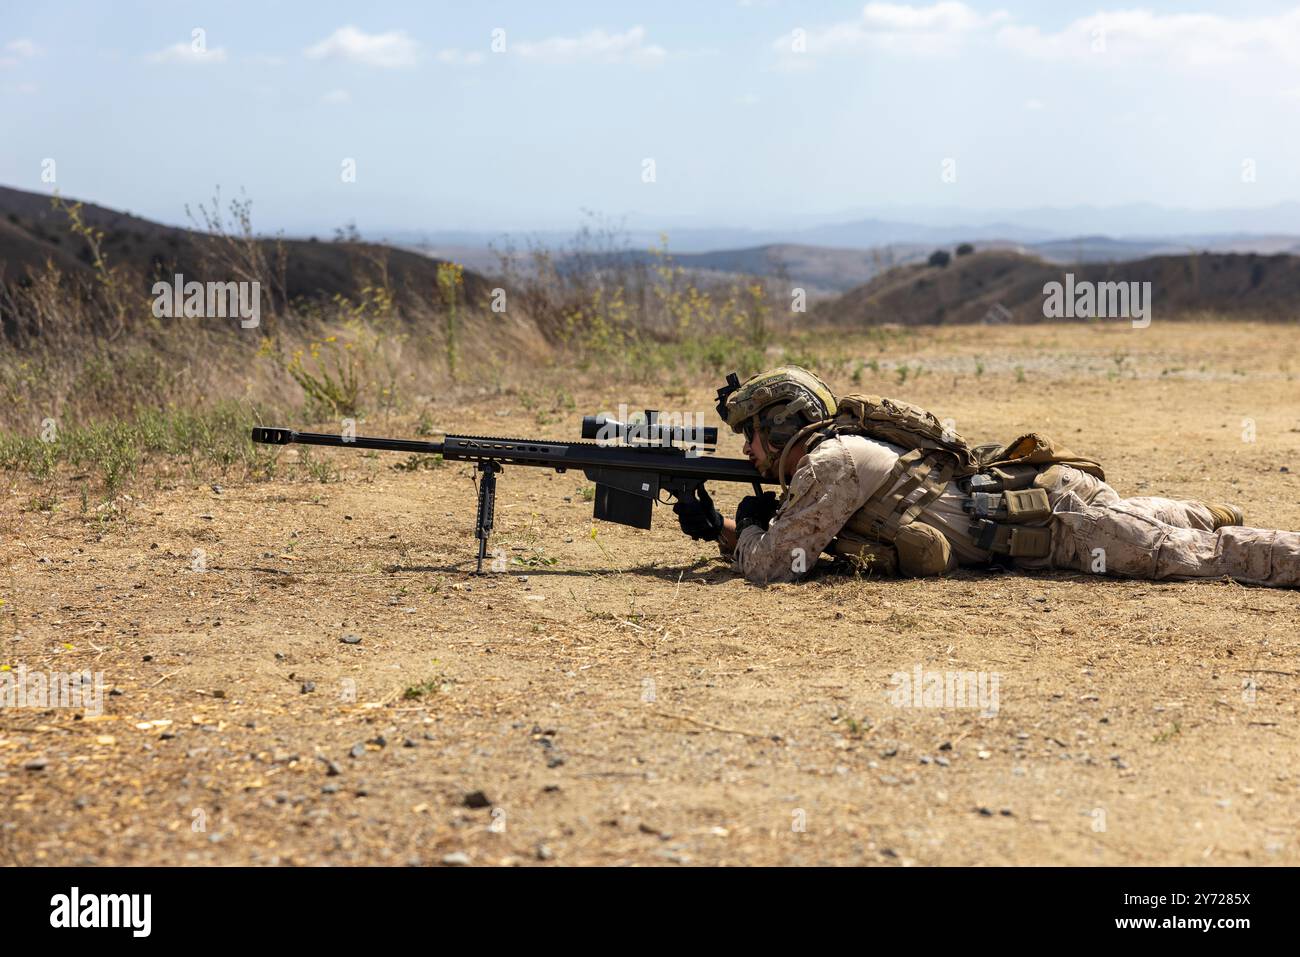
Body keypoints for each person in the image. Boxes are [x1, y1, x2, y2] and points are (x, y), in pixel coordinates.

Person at [673, 366, 1300, 588]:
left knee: (1203, 558)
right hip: (1046, 500)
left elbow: (780, 566)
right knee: (1145, 519)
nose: (748, 450)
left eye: (750, 433)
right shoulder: (838, 453)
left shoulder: (831, 462)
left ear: (780, 426)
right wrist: (727, 531)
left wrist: (748, 533)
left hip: (1060, 528)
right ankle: (1192, 509)